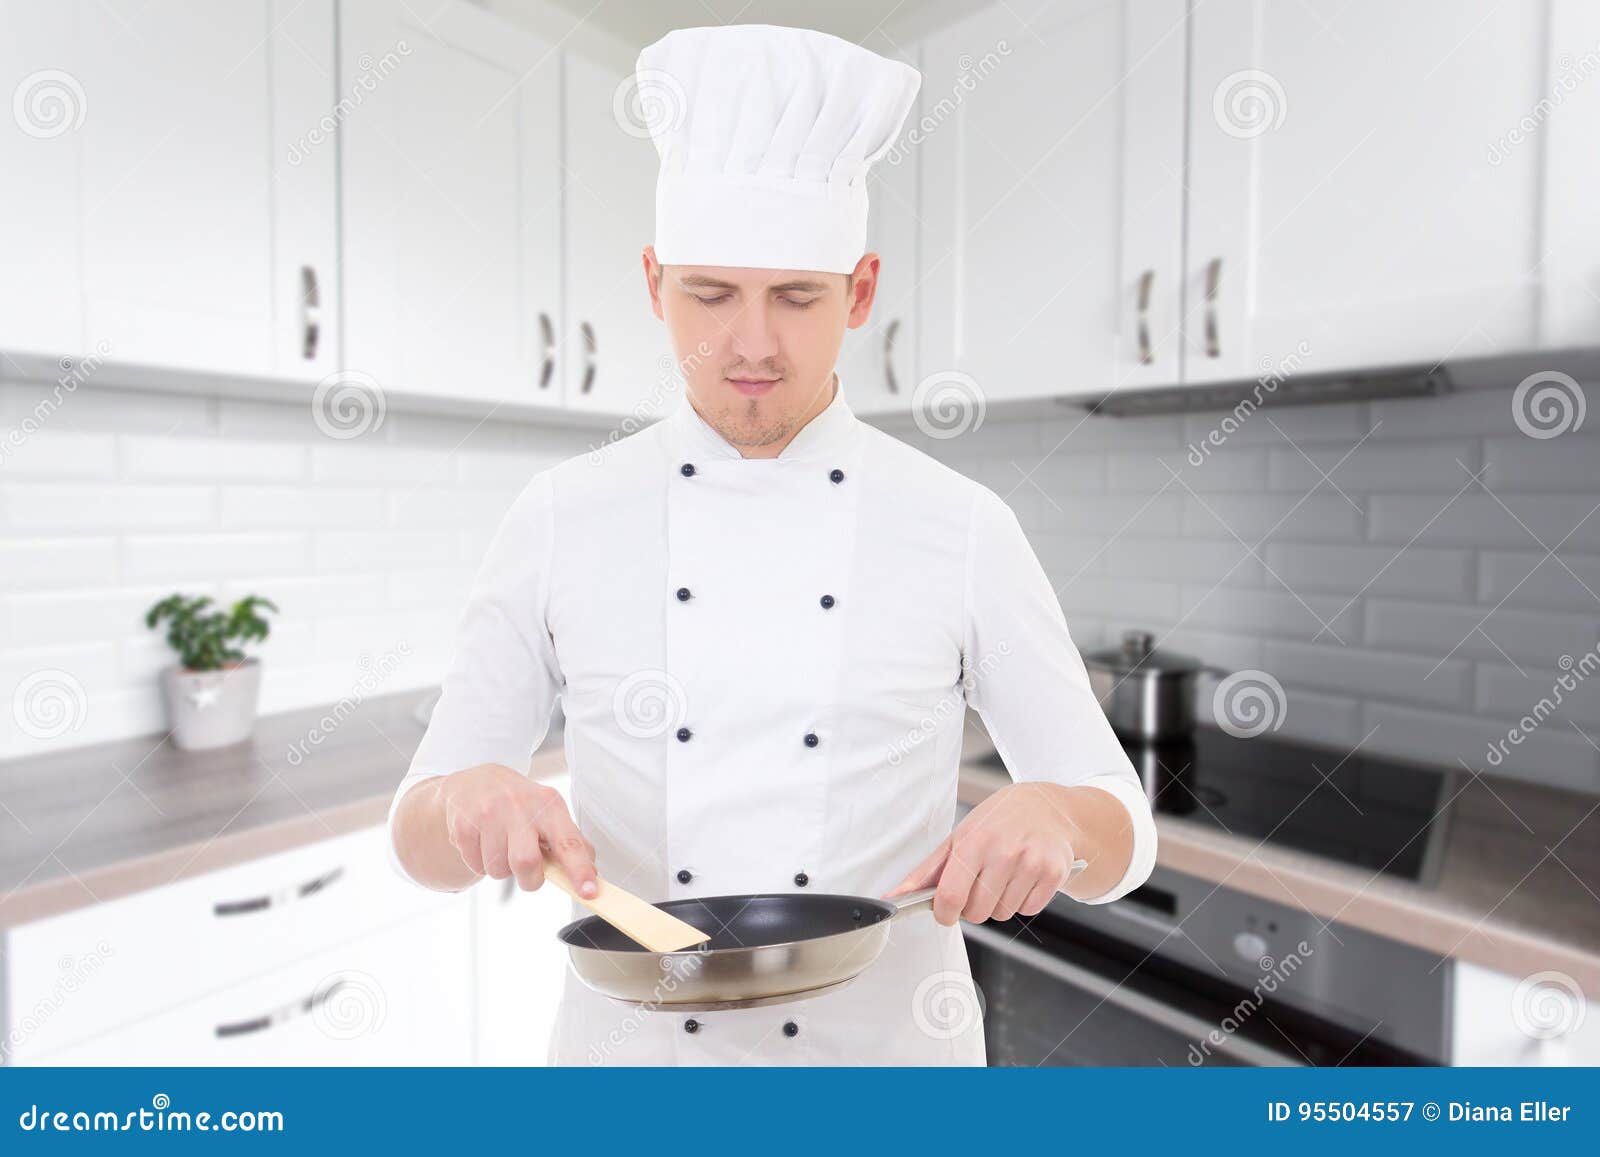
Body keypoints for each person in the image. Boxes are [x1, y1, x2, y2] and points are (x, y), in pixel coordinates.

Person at [388, 22, 1156, 1065]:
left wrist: (1056, 817)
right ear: (655, 284)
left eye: (797, 296)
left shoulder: (960, 523)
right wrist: (465, 799)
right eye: (710, 293)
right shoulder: (560, 515)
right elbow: (418, 833)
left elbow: (1119, 825)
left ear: (863, 290)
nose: (751, 342)